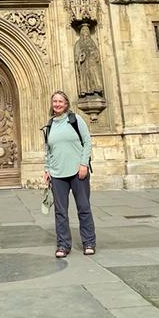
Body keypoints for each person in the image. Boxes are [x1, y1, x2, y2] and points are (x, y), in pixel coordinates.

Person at [43, 90, 96, 258]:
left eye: (60, 101)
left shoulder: (75, 120)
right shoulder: (50, 125)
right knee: (60, 211)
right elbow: (48, 150)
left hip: (77, 171)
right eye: (55, 102)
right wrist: (47, 169)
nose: (57, 104)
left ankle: (89, 242)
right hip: (57, 174)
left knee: (84, 207)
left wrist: (83, 164)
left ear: (66, 104)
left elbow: (87, 141)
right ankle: (63, 245)